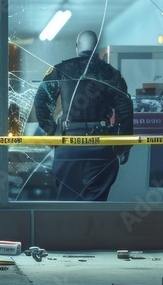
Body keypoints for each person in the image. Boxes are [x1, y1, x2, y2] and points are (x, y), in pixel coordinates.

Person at [34, 30, 133, 201]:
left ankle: (67, 228)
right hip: (101, 147)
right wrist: (122, 146)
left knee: (66, 204)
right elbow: (125, 110)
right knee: (96, 205)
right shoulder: (111, 73)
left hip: (69, 145)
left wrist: (52, 132)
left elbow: (41, 101)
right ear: (97, 49)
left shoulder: (59, 71)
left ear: (76, 48)